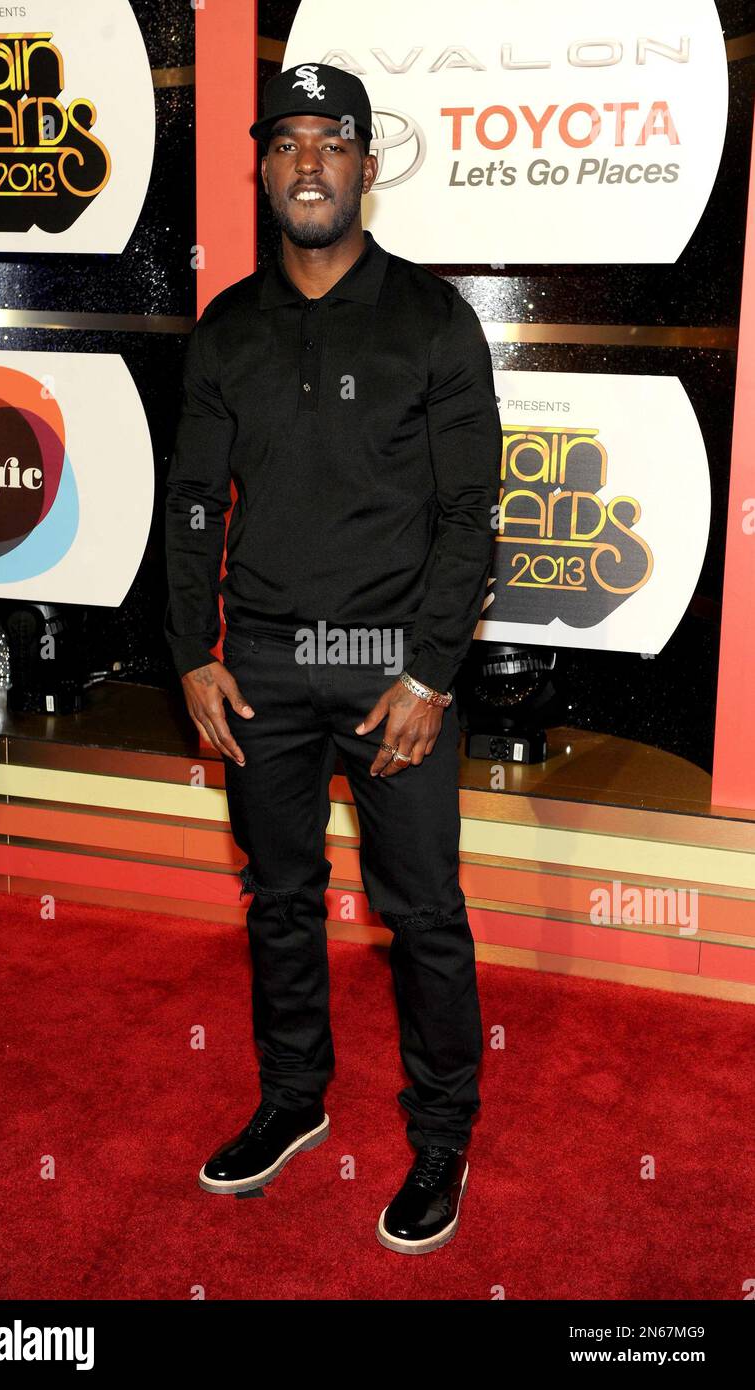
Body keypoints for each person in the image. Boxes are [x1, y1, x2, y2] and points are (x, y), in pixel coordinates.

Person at [163, 63, 502, 1255]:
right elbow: (194, 502)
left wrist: (425, 675)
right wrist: (190, 656)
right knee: (282, 901)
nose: (307, 162)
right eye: (286, 142)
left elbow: (471, 514)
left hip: (389, 667)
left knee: (421, 913)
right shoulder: (228, 329)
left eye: (331, 141)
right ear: (264, 166)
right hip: (258, 663)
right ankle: (293, 1098)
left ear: (366, 165)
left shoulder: (431, 319)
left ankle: (442, 1134)